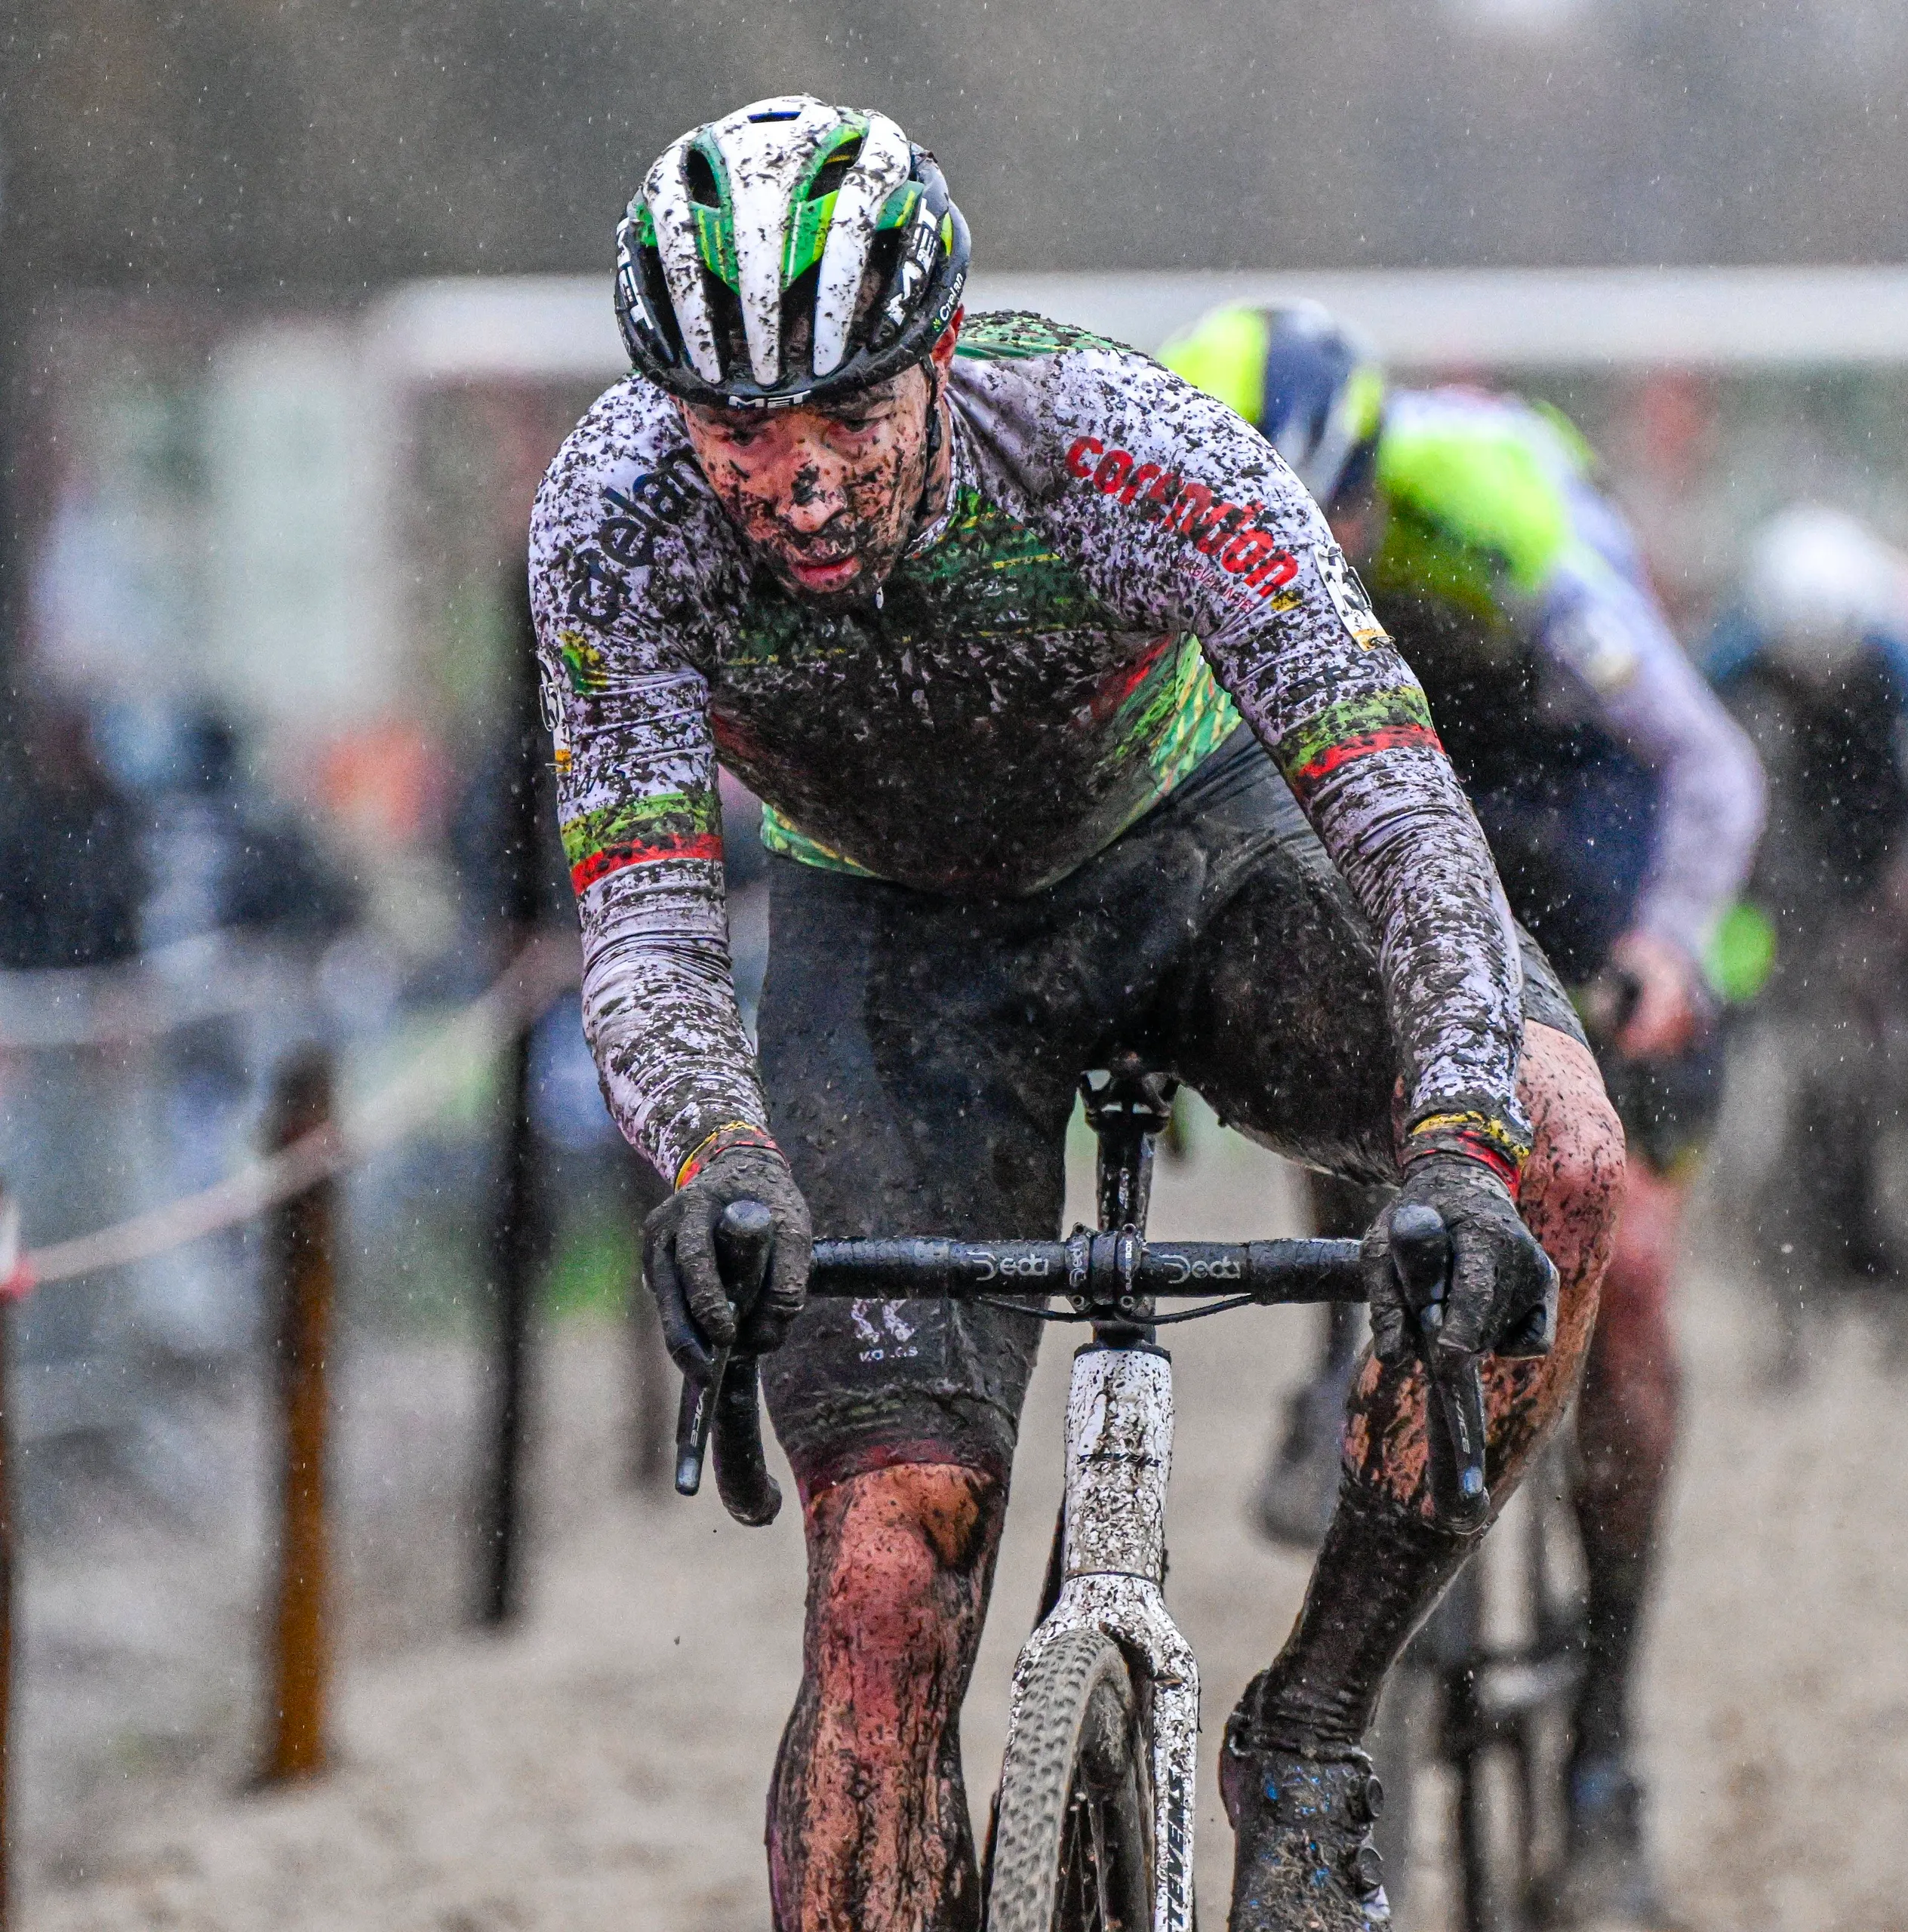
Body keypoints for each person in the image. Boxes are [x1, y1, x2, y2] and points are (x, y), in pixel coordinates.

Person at [530, 98, 1622, 1932]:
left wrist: (1447, 1141)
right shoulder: (613, 519)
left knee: (1559, 1154)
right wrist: (716, 1152)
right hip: (898, 943)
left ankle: (1317, 1726)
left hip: (1203, 865)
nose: (793, 482)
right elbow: (643, 916)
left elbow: (1392, 799)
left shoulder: (1127, 445)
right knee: (884, 1580)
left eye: (846, 417)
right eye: (736, 429)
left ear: (939, 355)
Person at [1162, 300, 1763, 1927]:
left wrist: (1666, 945)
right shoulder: (1179, 518)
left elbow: (1709, 766)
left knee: (1622, 1281)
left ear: (1369, 484)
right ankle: (1331, 1367)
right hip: (1382, 787)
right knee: (1323, 1017)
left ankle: (1608, 1748)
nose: (1303, 564)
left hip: (1597, 815)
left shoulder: (1493, 509)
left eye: (1326, 528)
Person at [1706, 504, 1908, 1358]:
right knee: (1772, 1056)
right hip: (1785, 889)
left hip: (1888, 870)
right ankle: (1769, 1251)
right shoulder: (1734, 662)